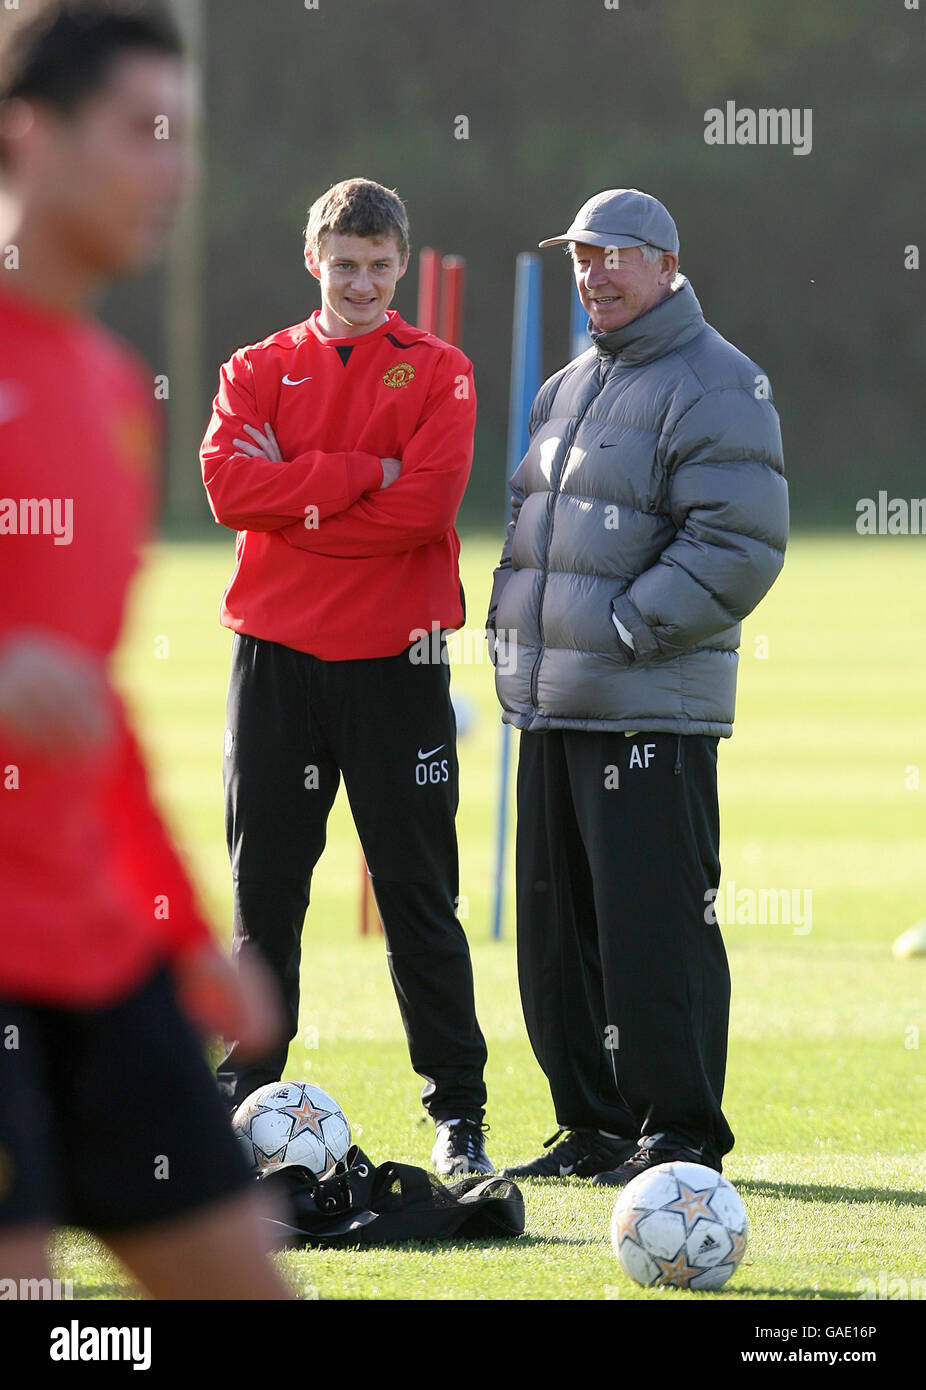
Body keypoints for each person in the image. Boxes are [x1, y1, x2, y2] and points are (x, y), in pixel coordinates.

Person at [0, 1, 292, 1299]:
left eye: (185, 138)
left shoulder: (115, 393)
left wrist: (182, 935)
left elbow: (96, 714)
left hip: (93, 946)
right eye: (142, 132)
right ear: (32, 138)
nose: (173, 168)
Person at [487, 188, 788, 1185]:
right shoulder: (568, 383)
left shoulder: (716, 381)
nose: (594, 274)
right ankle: (593, 1125)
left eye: (615, 255)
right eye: (582, 257)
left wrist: (625, 625)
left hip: (645, 705)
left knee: (652, 928)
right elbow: (531, 527)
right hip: (552, 698)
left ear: (666, 265)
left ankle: (680, 1132)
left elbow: (738, 543)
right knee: (556, 933)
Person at [200, 177, 492, 1176]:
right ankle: (243, 1097)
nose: (360, 283)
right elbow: (227, 488)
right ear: (313, 260)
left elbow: (426, 510)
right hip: (275, 657)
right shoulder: (254, 366)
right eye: (343, 264)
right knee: (265, 888)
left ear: (400, 266)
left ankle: (458, 1112)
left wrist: (298, 495)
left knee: (417, 893)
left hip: (397, 662)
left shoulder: (441, 371)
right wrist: (358, 472)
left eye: (377, 266)